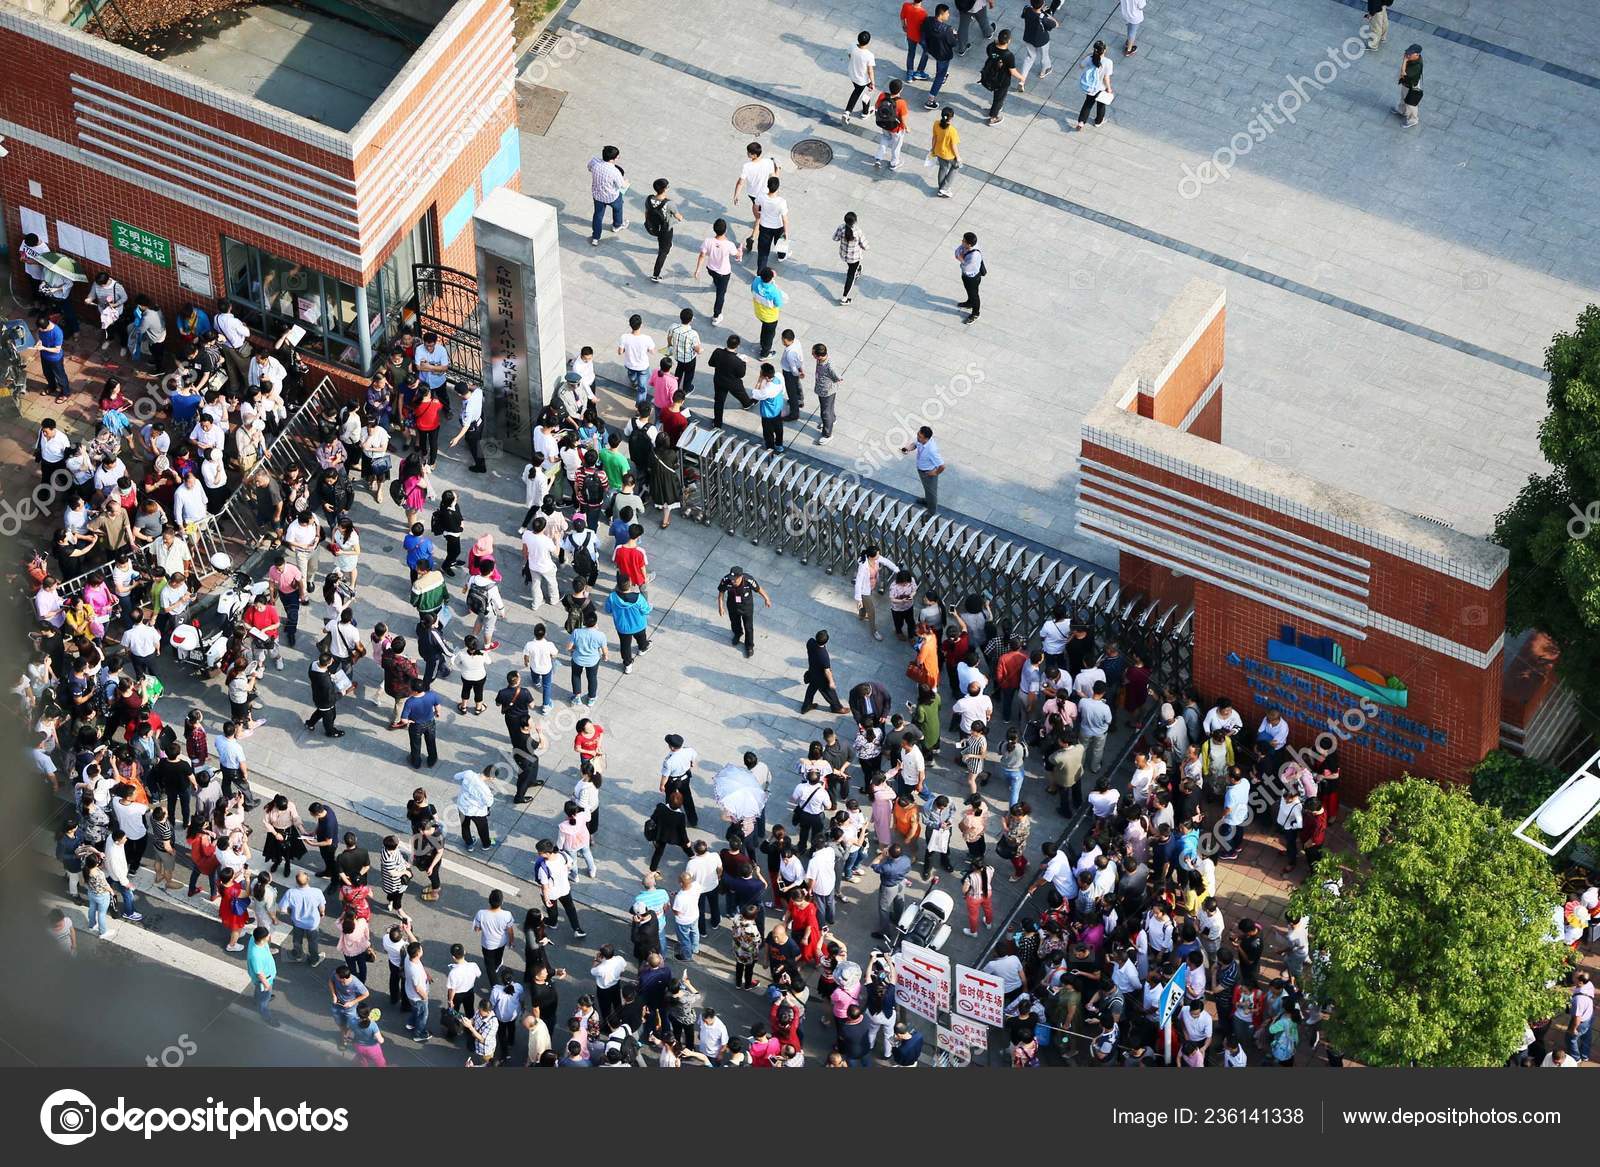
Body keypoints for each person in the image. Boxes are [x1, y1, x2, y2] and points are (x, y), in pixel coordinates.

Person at [692, 219, 742, 325]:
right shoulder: (729, 244)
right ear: (726, 230)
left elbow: (702, 255)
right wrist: (740, 251)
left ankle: (716, 284)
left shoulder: (708, 241)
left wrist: (697, 270)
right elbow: (736, 254)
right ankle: (716, 315)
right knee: (720, 294)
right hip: (724, 273)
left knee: (715, 279)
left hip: (711, 268)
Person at [717, 565, 772, 658]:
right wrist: (720, 607)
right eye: (732, 579)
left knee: (748, 627)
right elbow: (721, 593)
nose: (733, 581)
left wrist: (767, 598)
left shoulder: (748, 580)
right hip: (732, 605)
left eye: (735, 579)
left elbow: (759, 589)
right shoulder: (726, 580)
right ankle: (738, 634)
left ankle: (749, 646)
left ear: (741, 577)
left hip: (746, 607)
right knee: (734, 623)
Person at [707, 333, 753, 428]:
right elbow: (741, 374)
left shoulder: (717, 352)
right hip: (733, 383)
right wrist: (744, 362)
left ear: (727, 342)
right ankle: (747, 404)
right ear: (738, 346)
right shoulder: (738, 360)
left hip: (719, 380)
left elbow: (711, 363)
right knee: (741, 393)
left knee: (719, 402)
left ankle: (717, 423)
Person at [980, 29, 1022, 124]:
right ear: (1009, 41)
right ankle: (993, 117)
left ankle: (994, 109)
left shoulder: (991, 47)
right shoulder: (1009, 56)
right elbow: (1013, 71)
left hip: (991, 76)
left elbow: (991, 53)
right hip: (1002, 80)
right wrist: (1021, 78)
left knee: (997, 96)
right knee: (999, 98)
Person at [801, 630, 849, 714]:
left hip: (812, 671)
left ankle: (806, 706)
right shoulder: (824, 655)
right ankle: (837, 708)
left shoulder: (810, 642)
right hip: (821, 677)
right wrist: (831, 682)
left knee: (811, 688)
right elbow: (827, 671)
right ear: (826, 641)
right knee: (830, 693)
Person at [901, 425, 946, 512]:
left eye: (920, 437)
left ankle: (931, 512)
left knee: (931, 493)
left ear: (926, 438)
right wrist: (907, 449)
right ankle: (927, 500)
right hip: (921, 469)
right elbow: (914, 444)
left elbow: (942, 466)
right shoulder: (920, 440)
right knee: (927, 488)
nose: (917, 437)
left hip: (928, 472)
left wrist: (934, 473)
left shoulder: (931, 450)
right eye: (918, 434)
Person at [587, 145, 627, 245]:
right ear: (614, 158)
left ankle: (595, 238)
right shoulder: (615, 171)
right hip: (612, 196)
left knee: (598, 215)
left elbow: (589, 168)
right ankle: (617, 225)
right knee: (618, 208)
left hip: (598, 195)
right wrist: (626, 182)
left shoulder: (594, 162)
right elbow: (621, 186)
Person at [751, 175, 789, 273]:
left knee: (763, 251)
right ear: (778, 187)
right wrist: (786, 233)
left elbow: (755, 206)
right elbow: (785, 219)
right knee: (780, 243)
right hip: (778, 227)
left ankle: (760, 273)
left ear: (767, 186)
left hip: (764, 226)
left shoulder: (761, 197)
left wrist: (757, 216)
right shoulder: (782, 202)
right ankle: (781, 256)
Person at [1075, 40, 1114, 131]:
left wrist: (1087, 56)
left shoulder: (1089, 58)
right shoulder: (1108, 62)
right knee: (1101, 105)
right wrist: (1109, 88)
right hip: (1101, 88)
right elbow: (1106, 77)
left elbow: (1081, 65)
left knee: (1088, 104)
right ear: (1104, 50)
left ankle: (1081, 122)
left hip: (1091, 87)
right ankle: (1098, 122)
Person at [922, 5, 957, 104]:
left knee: (940, 71)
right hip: (944, 55)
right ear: (941, 14)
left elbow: (924, 33)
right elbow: (954, 43)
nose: (949, 15)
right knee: (940, 75)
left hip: (933, 50)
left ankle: (940, 77)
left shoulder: (928, 21)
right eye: (947, 13)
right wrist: (955, 35)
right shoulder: (947, 30)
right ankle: (930, 100)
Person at [872, 79, 911, 171]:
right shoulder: (901, 103)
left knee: (885, 139)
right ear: (900, 90)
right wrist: (907, 128)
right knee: (896, 145)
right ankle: (894, 163)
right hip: (896, 128)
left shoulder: (882, 95)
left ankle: (879, 158)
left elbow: (877, 106)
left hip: (884, 124)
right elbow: (903, 119)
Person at [843, 29, 877, 118]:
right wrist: (873, 83)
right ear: (868, 42)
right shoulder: (869, 55)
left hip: (852, 74)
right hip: (863, 79)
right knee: (865, 94)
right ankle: (864, 113)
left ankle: (850, 112)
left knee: (857, 92)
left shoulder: (852, 46)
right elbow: (870, 70)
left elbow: (849, 56)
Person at [954, 232, 984, 324]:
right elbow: (957, 251)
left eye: (963, 241)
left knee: (974, 295)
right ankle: (969, 303)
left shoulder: (974, 256)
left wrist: (961, 259)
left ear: (969, 244)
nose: (961, 242)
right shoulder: (968, 246)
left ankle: (975, 314)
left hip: (972, 278)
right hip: (967, 276)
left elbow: (966, 267)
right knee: (969, 292)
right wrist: (960, 256)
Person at [1396, 44, 1423, 129]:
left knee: (1411, 104)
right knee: (1403, 98)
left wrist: (1405, 60)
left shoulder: (1417, 66)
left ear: (1417, 54)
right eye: (1407, 53)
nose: (1408, 55)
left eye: (1410, 54)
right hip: (1406, 84)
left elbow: (1403, 73)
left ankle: (1413, 120)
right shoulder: (1413, 59)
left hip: (1411, 87)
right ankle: (1402, 111)